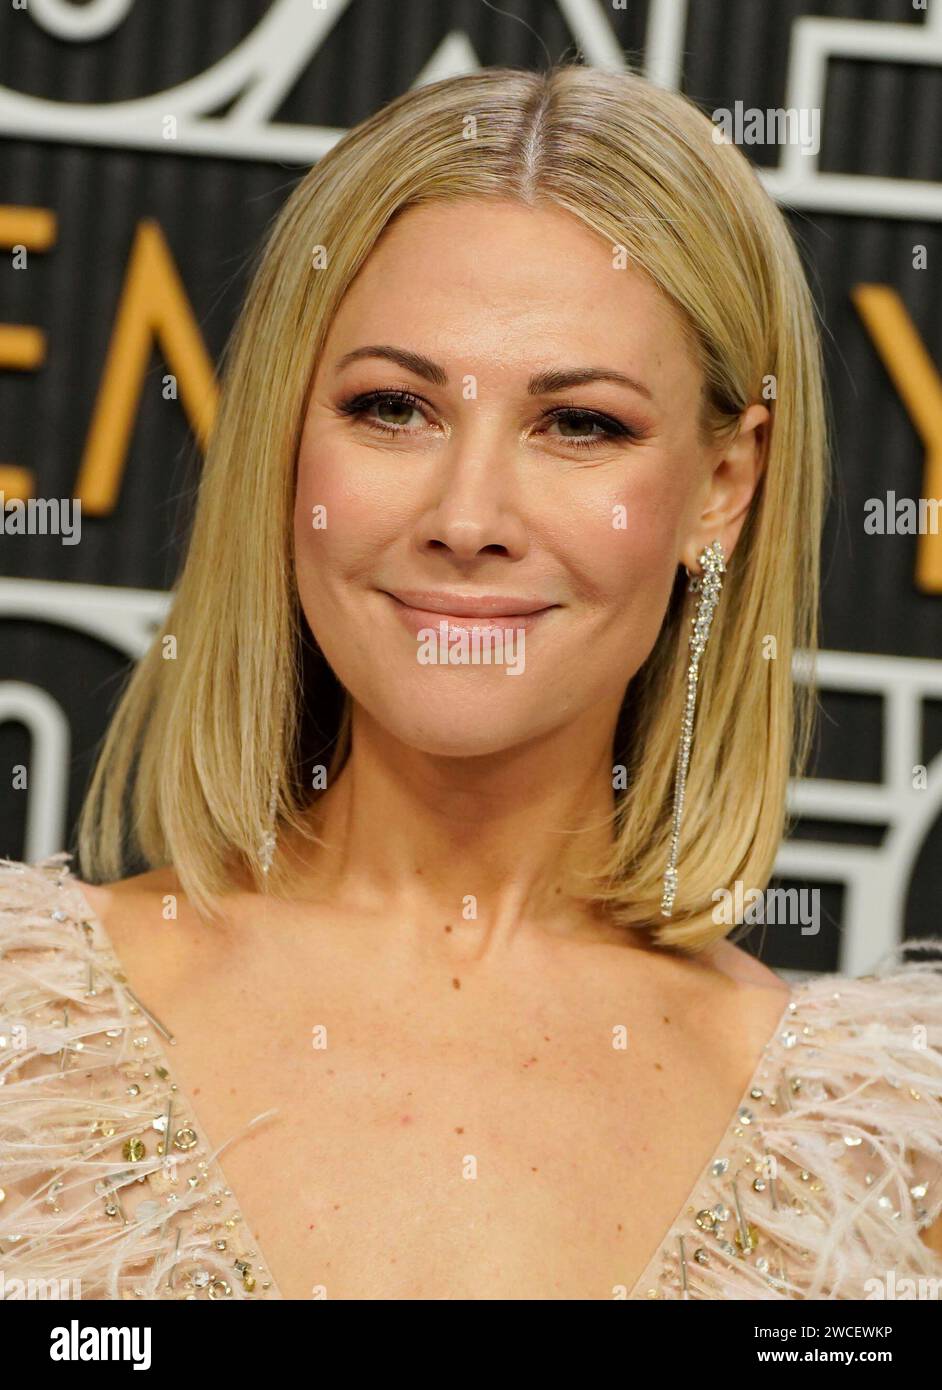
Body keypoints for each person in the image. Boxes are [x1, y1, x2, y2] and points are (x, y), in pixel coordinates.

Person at [1, 65, 940, 1302]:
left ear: (723, 484)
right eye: (393, 407)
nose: (467, 515)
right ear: (288, 437)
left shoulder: (883, 1158)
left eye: (581, 425)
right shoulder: (21, 1025)